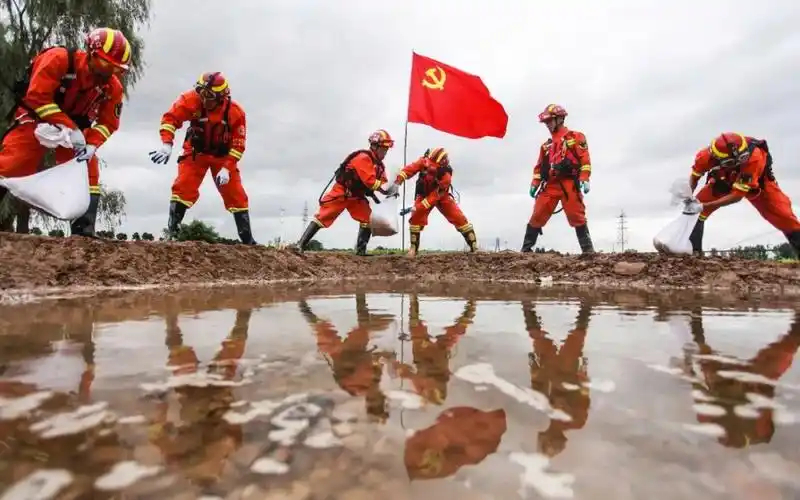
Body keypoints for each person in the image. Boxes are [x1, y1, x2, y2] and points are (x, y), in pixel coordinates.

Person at [0, 27, 131, 237]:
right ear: (90, 53)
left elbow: (108, 123)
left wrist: (92, 144)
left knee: (88, 168)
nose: (108, 72)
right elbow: (37, 97)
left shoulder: (112, 88)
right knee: (12, 163)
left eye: (116, 69)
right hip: (36, 118)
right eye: (104, 64)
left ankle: (83, 230)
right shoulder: (58, 59)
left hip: (76, 129)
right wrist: (69, 127)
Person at [149, 72, 256, 244]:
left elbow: (238, 145)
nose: (204, 98)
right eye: (201, 92)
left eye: (209, 95)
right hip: (195, 153)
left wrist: (227, 168)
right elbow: (170, 118)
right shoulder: (190, 100)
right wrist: (167, 144)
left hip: (223, 157)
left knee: (236, 194)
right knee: (183, 186)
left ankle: (247, 240)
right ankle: (172, 233)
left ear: (221, 97)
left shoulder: (235, 113)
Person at [685, 132, 800, 256]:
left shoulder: (754, 157)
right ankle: (694, 255)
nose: (738, 164)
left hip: (759, 184)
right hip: (724, 180)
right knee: (694, 211)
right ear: (716, 158)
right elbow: (694, 178)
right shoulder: (704, 158)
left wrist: (705, 206)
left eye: (742, 158)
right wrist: (688, 196)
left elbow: (737, 196)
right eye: (730, 162)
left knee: (784, 216)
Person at [295, 129, 395, 255]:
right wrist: (387, 188)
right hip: (342, 192)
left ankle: (361, 252)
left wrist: (391, 190)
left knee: (368, 219)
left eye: (386, 150)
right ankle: (300, 245)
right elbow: (371, 182)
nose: (385, 152)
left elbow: (383, 183)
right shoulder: (363, 158)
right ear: (374, 146)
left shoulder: (380, 166)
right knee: (323, 216)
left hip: (357, 197)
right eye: (383, 149)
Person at [521, 104, 594, 254]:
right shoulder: (546, 146)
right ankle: (526, 249)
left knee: (576, 215)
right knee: (538, 213)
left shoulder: (575, 137)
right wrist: (535, 183)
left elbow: (584, 159)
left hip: (569, 184)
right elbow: (539, 167)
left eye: (549, 121)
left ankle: (588, 251)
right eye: (546, 122)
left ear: (560, 119)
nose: (547, 125)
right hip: (550, 185)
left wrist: (584, 178)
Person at [386, 147, 477, 256]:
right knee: (415, 218)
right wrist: (397, 183)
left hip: (441, 196)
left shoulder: (446, 175)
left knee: (458, 217)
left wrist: (418, 207)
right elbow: (408, 170)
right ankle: (413, 249)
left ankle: (474, 247)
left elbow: (435, 196)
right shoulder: (423, 162)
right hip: (423, 193)